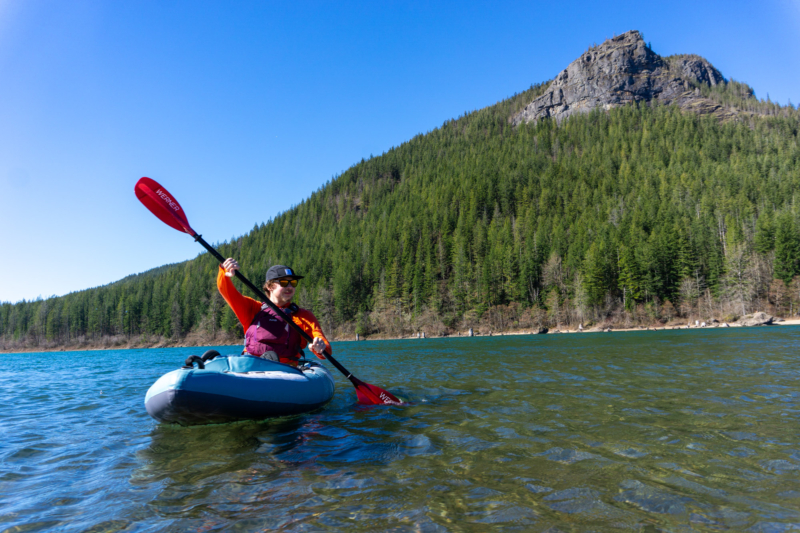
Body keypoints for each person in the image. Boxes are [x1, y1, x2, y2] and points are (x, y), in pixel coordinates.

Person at [217, 258, 331, 367]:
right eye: (284, 282)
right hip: (251, 368)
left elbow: (326, 349)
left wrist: (320, 347)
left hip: (286, 372)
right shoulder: (252, 308)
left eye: (293, 283)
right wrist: (224, 269)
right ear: (270, 286)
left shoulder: (304, 316)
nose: (290, 287)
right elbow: (226, 290)